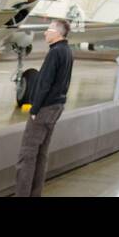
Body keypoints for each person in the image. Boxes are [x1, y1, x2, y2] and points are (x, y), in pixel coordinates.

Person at [15, 18, 73, 197]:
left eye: (48, 29)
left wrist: (34, 109)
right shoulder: (67, 51)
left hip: (44, 109)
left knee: (27, 156)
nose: (45, 33)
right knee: (41, 155)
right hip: (57, 106)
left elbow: (45, 84)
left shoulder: (55, 52)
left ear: (57, 33)